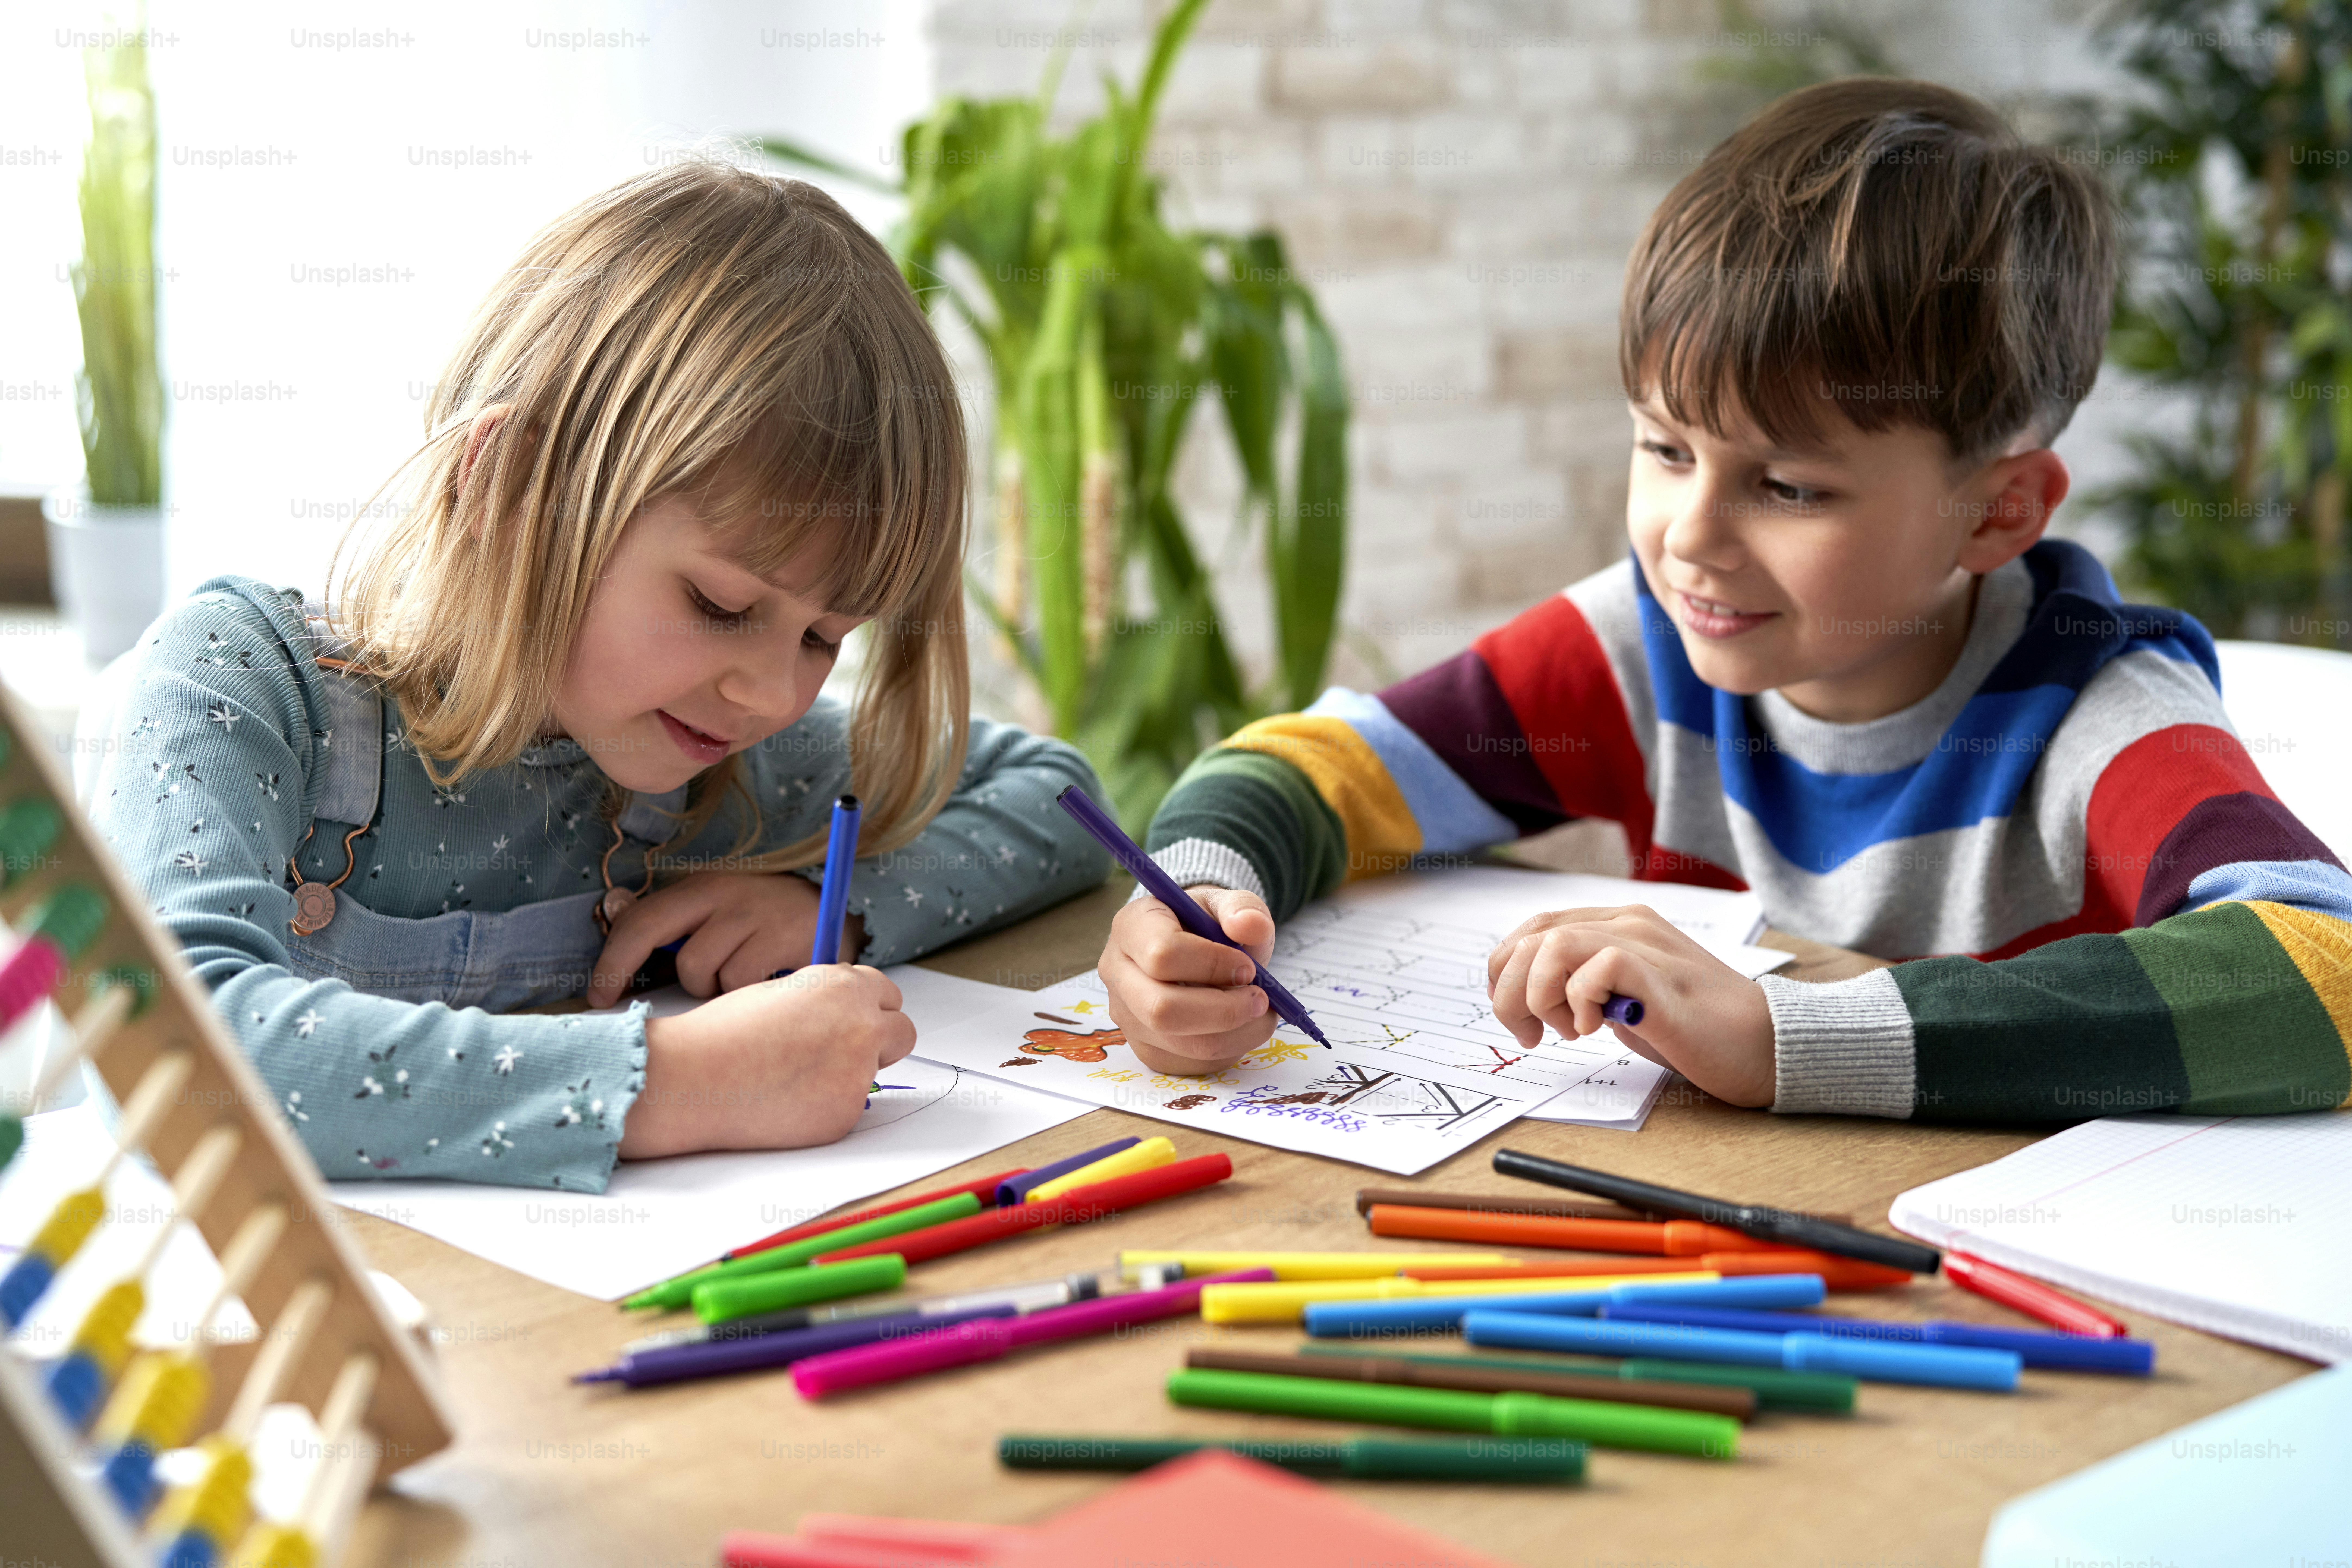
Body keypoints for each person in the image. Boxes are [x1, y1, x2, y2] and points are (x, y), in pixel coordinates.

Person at [1097, 79, 2352, 1122]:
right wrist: (1204, 905)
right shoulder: (1648, 647)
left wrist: (1782, 1035)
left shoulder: (2093, 704)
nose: (1687, 538)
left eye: (1789, 488)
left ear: (1999, 511)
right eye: (1663, 450)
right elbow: (1305, 768)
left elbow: (2323, 977)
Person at [89, 161, 1109, 1190]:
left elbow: (1061, 799)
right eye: (720, 606)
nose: (771, 696)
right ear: (507, 488)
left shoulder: (709, 763)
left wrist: (831, 905)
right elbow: (160, 1052)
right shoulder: (238, 683)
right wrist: (684, 1081)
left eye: (823, 638)